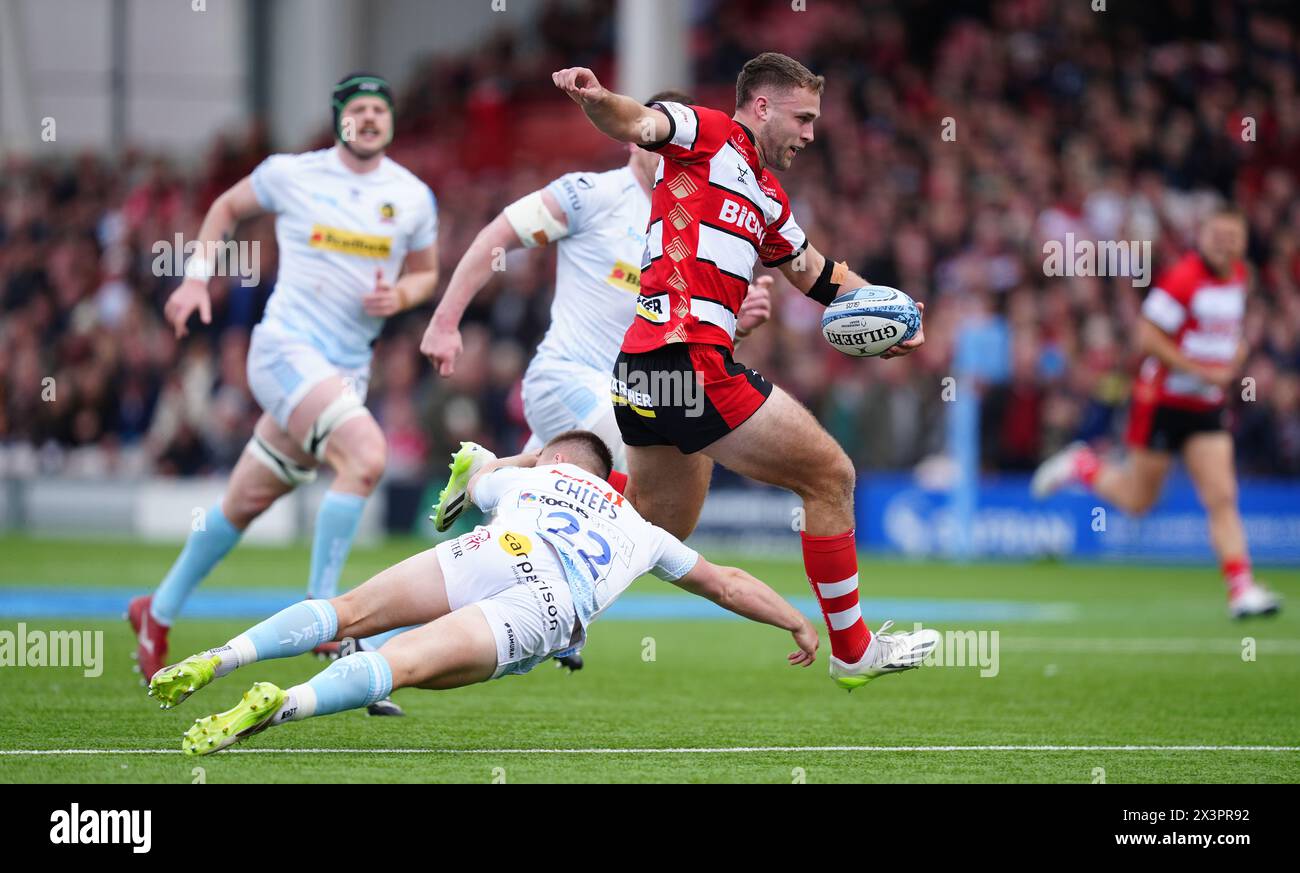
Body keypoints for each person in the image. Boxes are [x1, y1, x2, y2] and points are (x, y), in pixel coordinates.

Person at [143, 431, 929, 757]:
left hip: (498, 545)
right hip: (549, 602)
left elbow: (477, 472)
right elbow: (725, 582)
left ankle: (226, 655)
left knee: (348, 612)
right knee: (404, 665)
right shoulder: (639, 526)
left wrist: (503, 465)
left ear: (555, 458)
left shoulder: (528, 478)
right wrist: (795, 620)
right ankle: (284, 705)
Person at [548, 53, 935, 689]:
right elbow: (637, 122)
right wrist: (596, 99)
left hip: (644, 369)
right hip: (689, 358)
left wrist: (892, 310)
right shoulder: (707, 132)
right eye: (802, 118)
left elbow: (817, 275)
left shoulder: (767, 195)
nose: (811, 133)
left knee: (653, 525)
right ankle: (854, 650)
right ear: (761, 106)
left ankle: (511, 483)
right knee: (831, 477)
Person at [128, 73, 441, 718]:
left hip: (346, 371)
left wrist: (403, 295)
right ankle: (326, 614)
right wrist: (196, 280)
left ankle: (156, 610)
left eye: (380, 109)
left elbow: (427, 273)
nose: (370, 118)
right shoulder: (292, 174)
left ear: (390, 121)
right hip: (283, 352)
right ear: (339, 119)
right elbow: (224, 208)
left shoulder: (411, 196)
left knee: (245, 501)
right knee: (367, 456)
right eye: (358, 109)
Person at [419, 89, 772, 486]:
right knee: (647, 461)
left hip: (637, 391)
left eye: (680, 140)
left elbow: (683, 341)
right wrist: (445, 322)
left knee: (538, 515)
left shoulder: (701, 231)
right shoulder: (592, 194)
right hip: (567, 378)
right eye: (657, 133)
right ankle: (500, 476)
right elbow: (499, 237)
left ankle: (491, 478)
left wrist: (735, 328)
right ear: (634, 138)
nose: (668, 148)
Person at [1032, 208, 1281, 619]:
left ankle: (1241, 589)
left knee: (1222, 496)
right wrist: (1200, 370)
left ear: (1243, 240)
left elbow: (1228, 333)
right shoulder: (1183, 279)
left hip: (1205, 406)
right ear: (1203, 237)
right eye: (1217, 235)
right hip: (1162, 401)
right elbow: (1146, 337)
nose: (1225, 244)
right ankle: (1083, 466)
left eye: (1233, 236)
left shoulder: (1240, 277)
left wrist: (1233, 359)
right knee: (1138, 500)